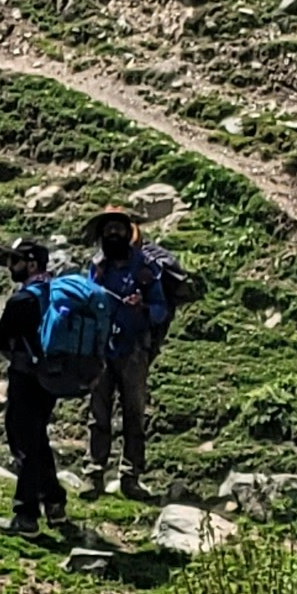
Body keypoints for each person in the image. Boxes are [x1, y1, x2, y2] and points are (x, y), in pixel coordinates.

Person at [79, 204, 192, 501]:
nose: (113, 233)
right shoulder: (97, 266)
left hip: (134, 352)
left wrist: (141, 306)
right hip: (102, 349)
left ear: (129, 232)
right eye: (108, 229)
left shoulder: (145, 269)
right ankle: (93, 473)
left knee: (133, 413)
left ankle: (131, 477)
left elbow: (160, 309)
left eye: (119, 228)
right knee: (98, 413)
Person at [0, 236, 69, 541]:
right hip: (53, 378)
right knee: (37, 437)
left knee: (23, 442)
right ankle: (55, 502)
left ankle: (26, 515)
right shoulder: (58, 294)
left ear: (31, 263)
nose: (11, 267)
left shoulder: (22, 301)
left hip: (25, 376)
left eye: (15, 260)